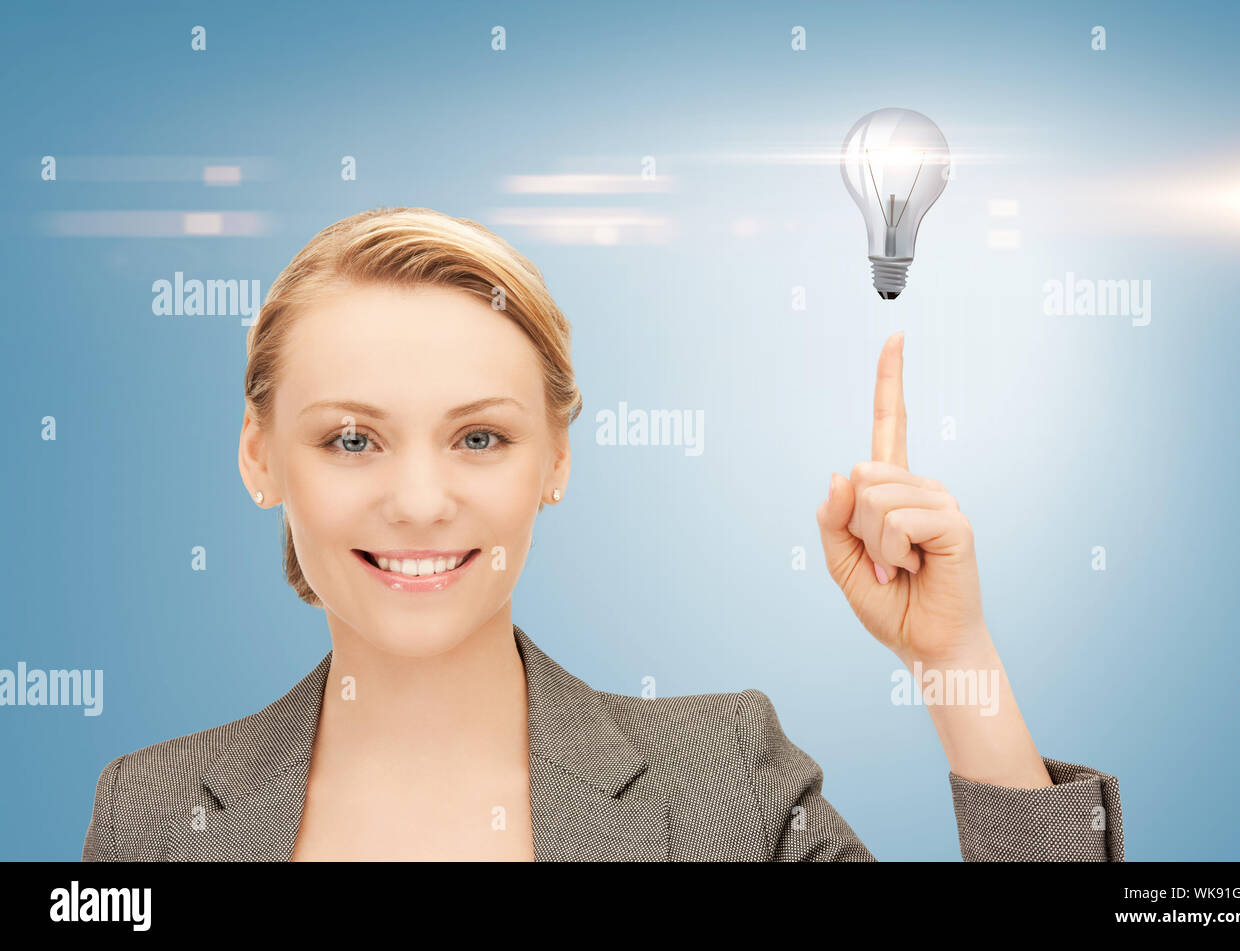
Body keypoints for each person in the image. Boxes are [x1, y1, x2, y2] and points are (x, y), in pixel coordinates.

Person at [81, 206, 1123, 861]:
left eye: (479, 436)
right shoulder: (154, 817)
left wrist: (954, 660)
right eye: (352, 440)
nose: (419, 499)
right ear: (259, 457)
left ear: (557, 461)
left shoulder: (725, 778)